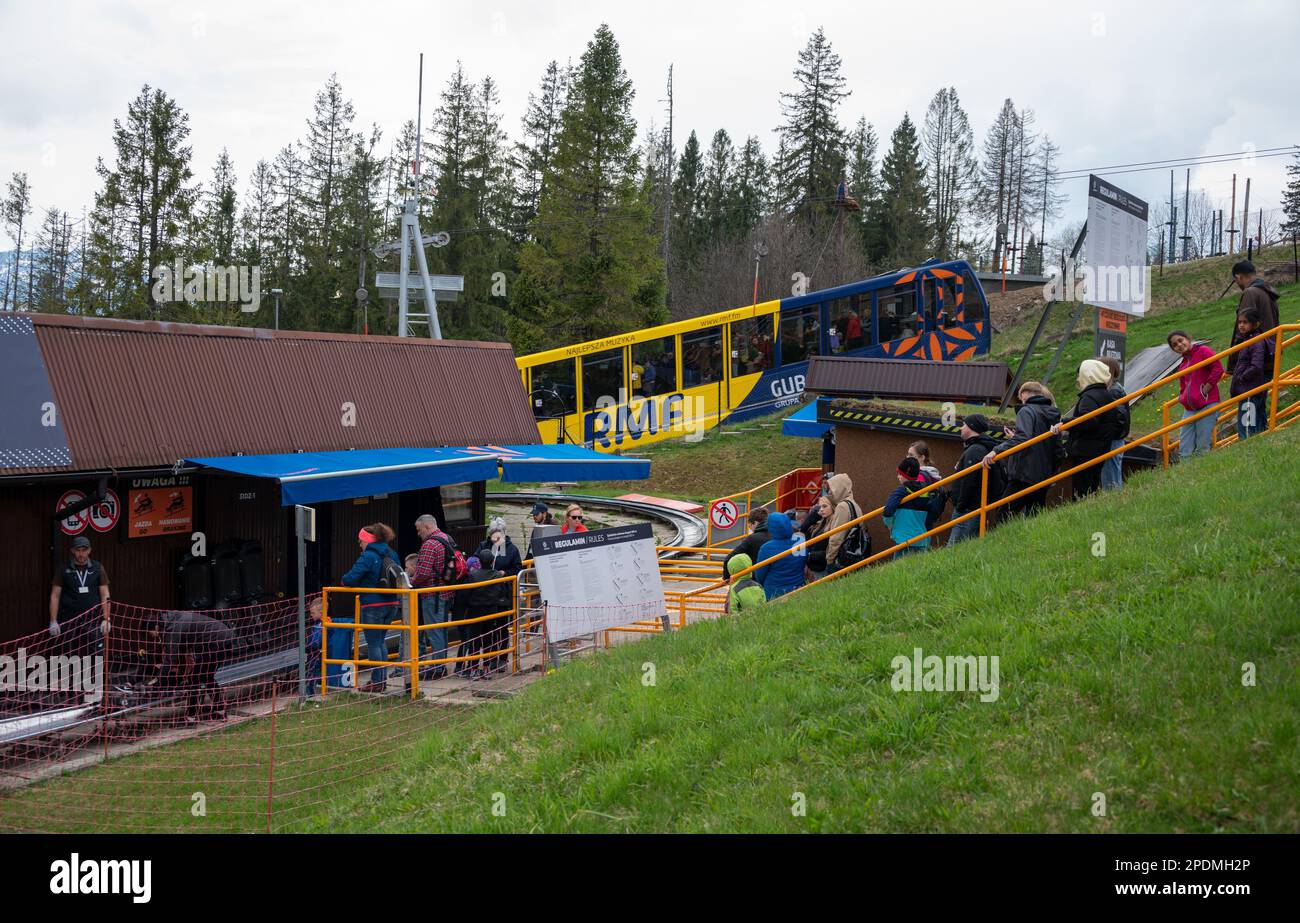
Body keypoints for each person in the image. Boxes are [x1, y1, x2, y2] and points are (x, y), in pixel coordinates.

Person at [982, 381, 1061, 517]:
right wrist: (1015, 436)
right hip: (1044, 473)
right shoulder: (1051, 413)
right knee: (1034, 514)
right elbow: (1047, 442)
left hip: (1024, 473)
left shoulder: (1026, 410)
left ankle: (1002, 539)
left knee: (1004, 513)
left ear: (1024, 394)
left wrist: (996, 450)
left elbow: (1024, 437)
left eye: (1020, 397)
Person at [340, 523, 401, 692]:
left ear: (367, 540)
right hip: (392, 603)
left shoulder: (368, 556)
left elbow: (350, 579)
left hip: (373, 605)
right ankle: (381, 680)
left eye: (360, 541)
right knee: (380, 642)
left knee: (374, 643)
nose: (359, 545)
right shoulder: (392, 553)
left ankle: (377, 681)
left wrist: (344, 581)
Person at [150, 610, 238, 723]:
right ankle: (220, 711)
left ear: (156, 627)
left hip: (216, 641)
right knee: (207, 677)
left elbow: (171, 658)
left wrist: (159, 681)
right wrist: (180, 674)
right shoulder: (172, 620)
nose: (150, 636)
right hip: (223, 637)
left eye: (149, 632)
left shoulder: (172, 628)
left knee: (194, 679)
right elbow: (180, 652)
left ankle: (190, 718)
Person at [1053, 358, 1121, 499]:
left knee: (1081, 490)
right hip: (1101, 447)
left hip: (1086, 450)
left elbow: (1087, 421)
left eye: (1080, 375)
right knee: (1092, 486)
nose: (1078, 378)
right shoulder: (1106, 395)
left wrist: (1064, 423)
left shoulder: (1089, 396)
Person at [411, 514, 458, 680]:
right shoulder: (446, 538)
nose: (418, 533)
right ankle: (441, 664)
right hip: (446, 592)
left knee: (434, 631)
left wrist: (410, 581)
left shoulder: (429, 545)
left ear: (427, 527)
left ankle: (438, 668)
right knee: (442, 631)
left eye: (419, 529)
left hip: (432, 595)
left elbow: (422, 573)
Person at [454, 555, 513, 679]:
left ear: (480, 561)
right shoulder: (497, 575)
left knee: (474, 640)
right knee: (488, 640)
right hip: (491, 611)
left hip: (475, 611)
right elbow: (501, 592)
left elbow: (466, 594)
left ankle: (474, 669)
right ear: (493, 562)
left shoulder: (473, 576)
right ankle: (486, 668)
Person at [1168, 330, 1224, 459]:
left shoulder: (1203, 351)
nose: (1179, 345)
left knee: (1202, 445)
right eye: (1175, 345)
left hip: (1207, 404)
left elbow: (1218, 368)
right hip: (1189, 409)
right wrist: (1182, 397)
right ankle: (1184, 475)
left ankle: (1203, 475)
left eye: (1180, 340)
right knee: (1184, 448)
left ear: (1188, 338)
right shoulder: (1182, 364)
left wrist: (1205, 390)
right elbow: (1183, 385)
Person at [950, 414, 1002, 544]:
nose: (961, 428)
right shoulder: (981, 448)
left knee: (956, 548)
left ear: (971, 428)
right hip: (973, 507)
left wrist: (960, 505)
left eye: (964, 425)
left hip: (967, 509)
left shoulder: (975, 450)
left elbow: (969, 480)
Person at [49, 535, 111, 640]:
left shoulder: (97, 567)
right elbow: (55, 596)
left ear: (89, 550)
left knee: (95, 654)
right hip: (68, 621)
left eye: (84, 550)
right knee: (68, 654)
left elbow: (105, 594)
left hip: (92, 620)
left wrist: (106, 619)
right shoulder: (63, 568)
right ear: (72, 551)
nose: (81, 554)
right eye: (78, 550)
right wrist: (53, 621)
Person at [1228, 307, 1275, 441]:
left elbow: (1256, 366)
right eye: (1239, 322)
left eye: (1245, 322)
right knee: (1258, 418)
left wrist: (1242, 377)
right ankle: (1260, 440)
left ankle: (1247, 444)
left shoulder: (1256, 341)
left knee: (1247, 424)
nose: (1241, 325)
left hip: (1250, 388)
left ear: (1256, 324)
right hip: (1251, 387)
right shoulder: (1248, 340)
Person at [1226, 260, 1280, 373]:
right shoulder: (1267, 291)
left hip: (1253, 359)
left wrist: (1234, 358)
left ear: (1239, 277)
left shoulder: (1250, 293)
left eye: (1235, 280)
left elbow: (1243, 326)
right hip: (1269, 353)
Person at [884, 457, 933, 558]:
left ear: (904, 476)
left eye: (899, 474)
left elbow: (887, 511)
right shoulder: (925, 491)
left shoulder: (900, 492)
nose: (898, 477)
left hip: (903, 541)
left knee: (898, 572)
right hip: (922, 540)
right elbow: (931, 515)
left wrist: (889, 525)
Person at [752, 512, 806, 600]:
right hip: (798, 589)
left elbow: (759, 575)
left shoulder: (766, 548)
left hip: (773, 592)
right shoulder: (800, 541)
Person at [820, 473, 864, 574]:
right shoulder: (854, 504)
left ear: (839, 489)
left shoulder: (842, 507)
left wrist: (829, 560)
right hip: (854, 554)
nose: (829, 493)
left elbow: (836, 538)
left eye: (832, 489)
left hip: (841, 558)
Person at [1098, 357, 1130, 491]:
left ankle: (1114, 501)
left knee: (1110, 477)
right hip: (1115, 439)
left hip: (1113, 440)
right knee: (1111, 473)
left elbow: (1118, 419)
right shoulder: (1114, 389)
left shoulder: (1113, 391)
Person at [723, 507, 770, 579]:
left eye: (749, 525)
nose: (750, 528)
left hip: (756, 580)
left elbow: (729, 558)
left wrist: (726, 578)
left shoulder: (752, 539)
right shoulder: (778, 535)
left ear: (755, 523)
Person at [801, 495, 833, 580]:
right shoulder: (822, 522)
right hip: (815, 565)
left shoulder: (833, 524)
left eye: (824, 506)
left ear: (833, 507)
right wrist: (815, 514)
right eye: (820, 507)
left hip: (822, 568)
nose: (821, 509)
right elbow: (803, 528)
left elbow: (830, 550)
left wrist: (811, 555)